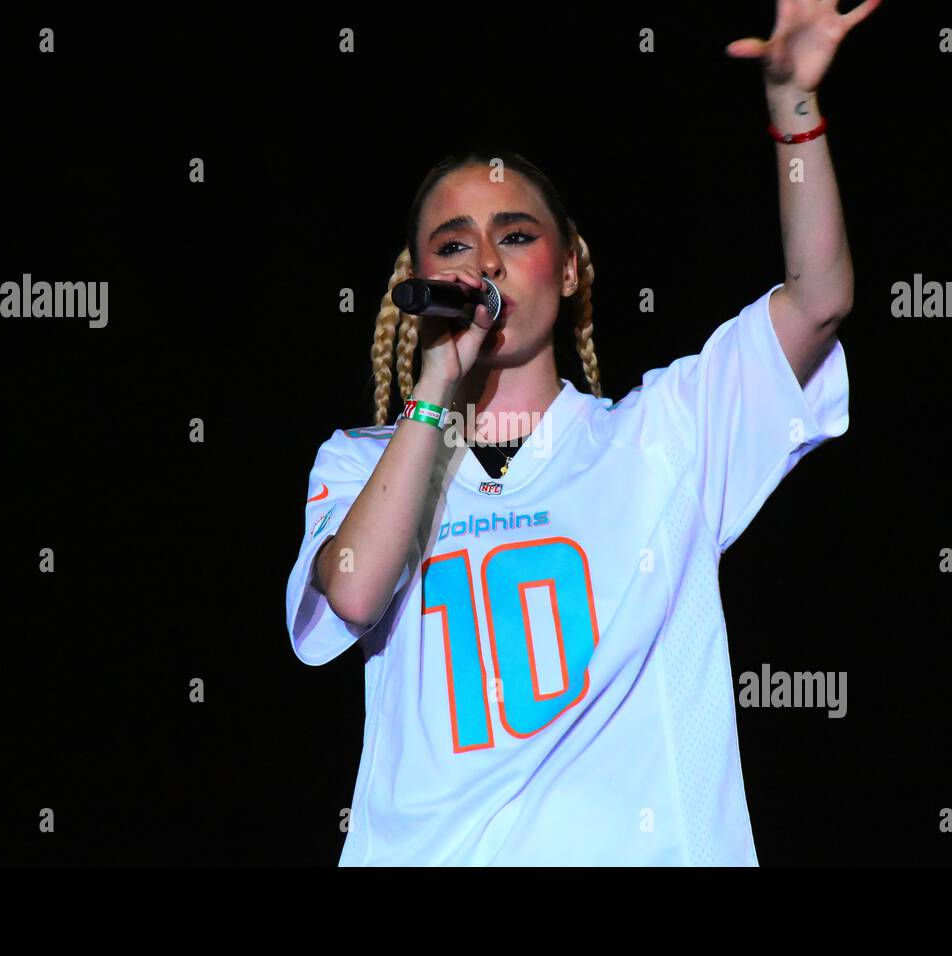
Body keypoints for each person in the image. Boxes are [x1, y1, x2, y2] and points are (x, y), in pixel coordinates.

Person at [285, 0, 880, 866]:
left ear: (566, 268)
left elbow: (818, 300)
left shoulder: (661, 436)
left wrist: (793, 105)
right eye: (453, 246)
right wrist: (440, 384)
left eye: (515, 236)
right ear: (417, 283)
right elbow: (355, 593)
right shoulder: (364, 462)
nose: (483, 263)